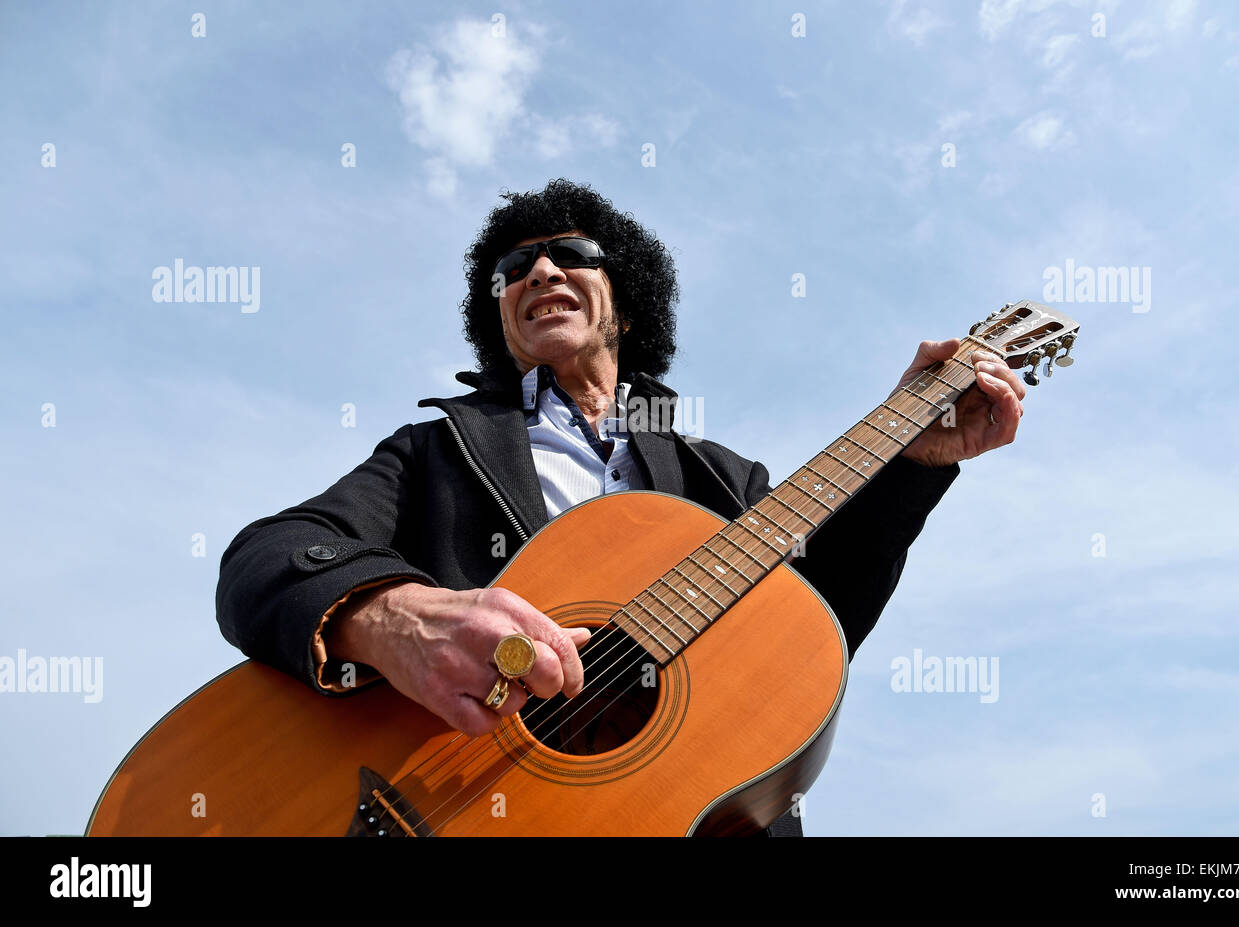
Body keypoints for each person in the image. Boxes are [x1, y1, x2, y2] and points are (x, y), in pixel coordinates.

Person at [215, 178, 1026, 836]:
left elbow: (818, 631)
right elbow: (265, 558)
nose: (538, 273)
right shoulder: (436, 452)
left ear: (627, 304)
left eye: (570, 254)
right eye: (513, 270)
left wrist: (909, 465)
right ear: (499, 318)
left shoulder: (726, 486)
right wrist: (396, 619)